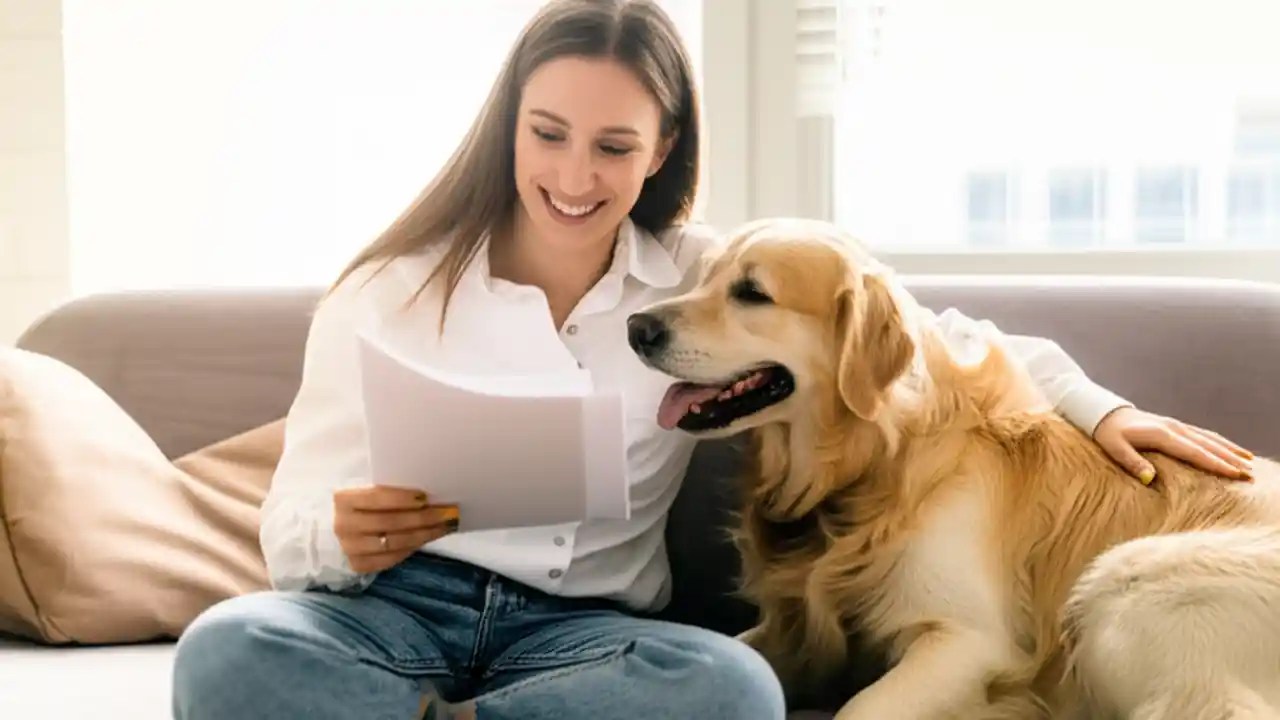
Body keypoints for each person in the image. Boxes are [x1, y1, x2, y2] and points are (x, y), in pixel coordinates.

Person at [170, 1, 1254, 718]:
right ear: (507, 128)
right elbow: (289, 528)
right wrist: (339, 532)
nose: (573, 175)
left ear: (661, 150)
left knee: (730, 689)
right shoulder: (388, 289)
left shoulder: (698, 278)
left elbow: (927, 336)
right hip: (388, 611)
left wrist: (1094, 407)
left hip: (583, 636)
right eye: (546, 133)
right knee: (227, 652)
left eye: (612, 146)